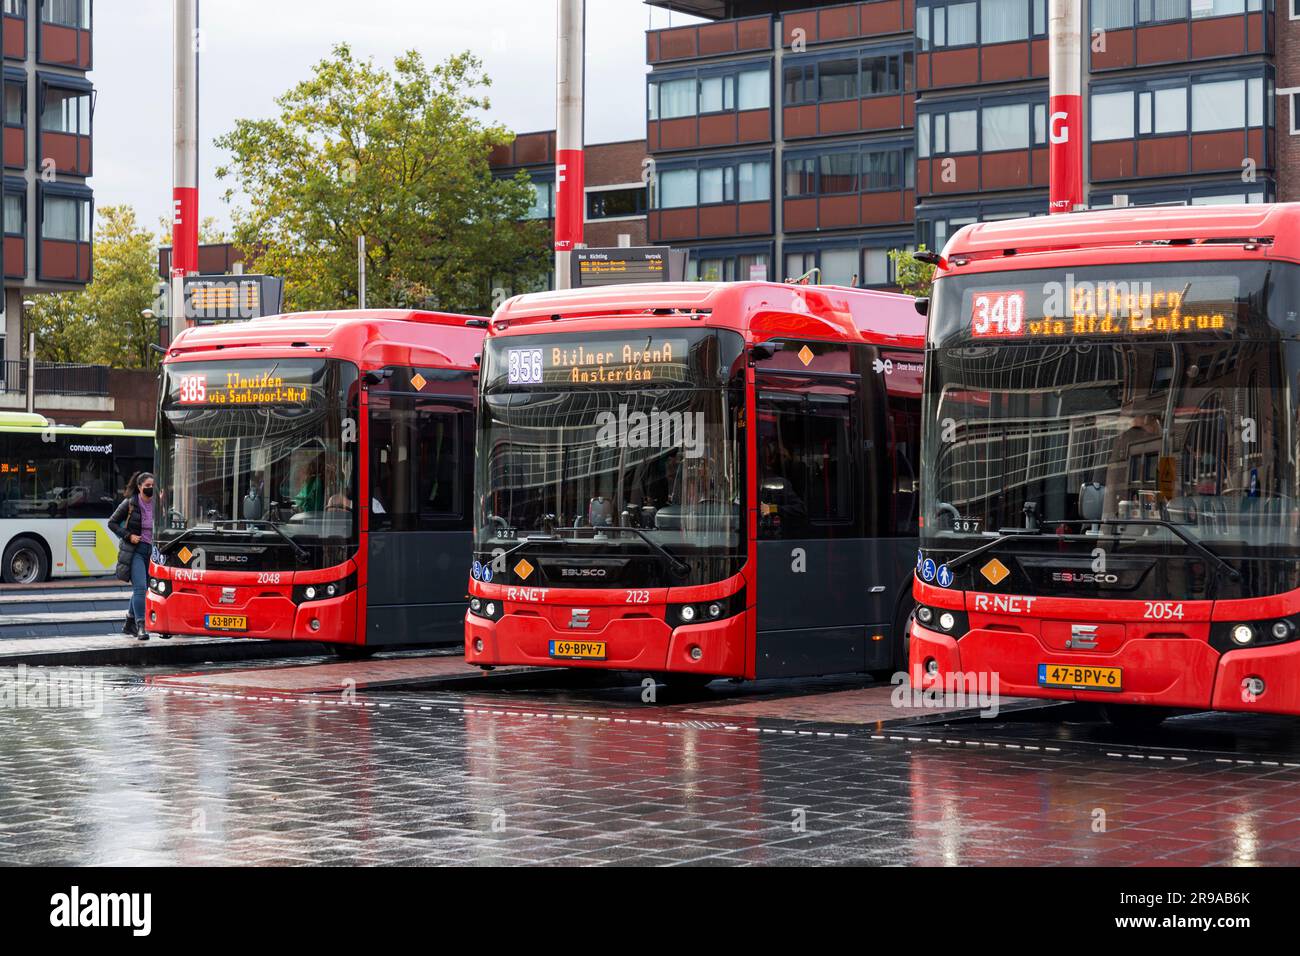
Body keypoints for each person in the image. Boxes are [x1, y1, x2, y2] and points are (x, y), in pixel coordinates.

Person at [108, 472, 156, 641]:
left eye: (153, 486)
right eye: (147, 486)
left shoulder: (158, 504)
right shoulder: (130, 503)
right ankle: (141, 626)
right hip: (135, 551)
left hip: (152, 552)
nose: (151, 489)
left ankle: (129, 622)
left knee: (144, 589)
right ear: (139, 487)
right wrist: (129, 536)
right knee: (141, 588)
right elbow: (112, 523)